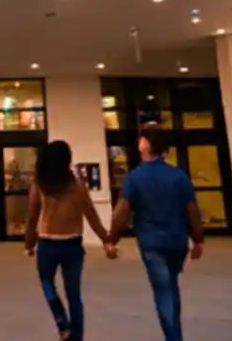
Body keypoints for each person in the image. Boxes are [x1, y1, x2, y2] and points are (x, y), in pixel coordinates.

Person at [105, 125, 204, 341]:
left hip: (152, 244)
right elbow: (192, 210)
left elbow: (121, 212)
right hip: (177, 242)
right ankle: (175, 330)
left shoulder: (135, 177)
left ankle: (173, 337)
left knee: (163, 291)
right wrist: (198, 240)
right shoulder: (178, 176)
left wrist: (112, 239)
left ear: (145, 144)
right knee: (171, 285)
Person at [24, 140, 110, 341]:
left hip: (47, 244)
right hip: (72, 245)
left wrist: (29, 244)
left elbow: (32, 217)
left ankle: (61, 321)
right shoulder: (77, 186)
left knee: (46, 283)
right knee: (74, 295)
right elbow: (91, 214)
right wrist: (106, 239)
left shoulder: (39, 185)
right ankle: (76, 337)